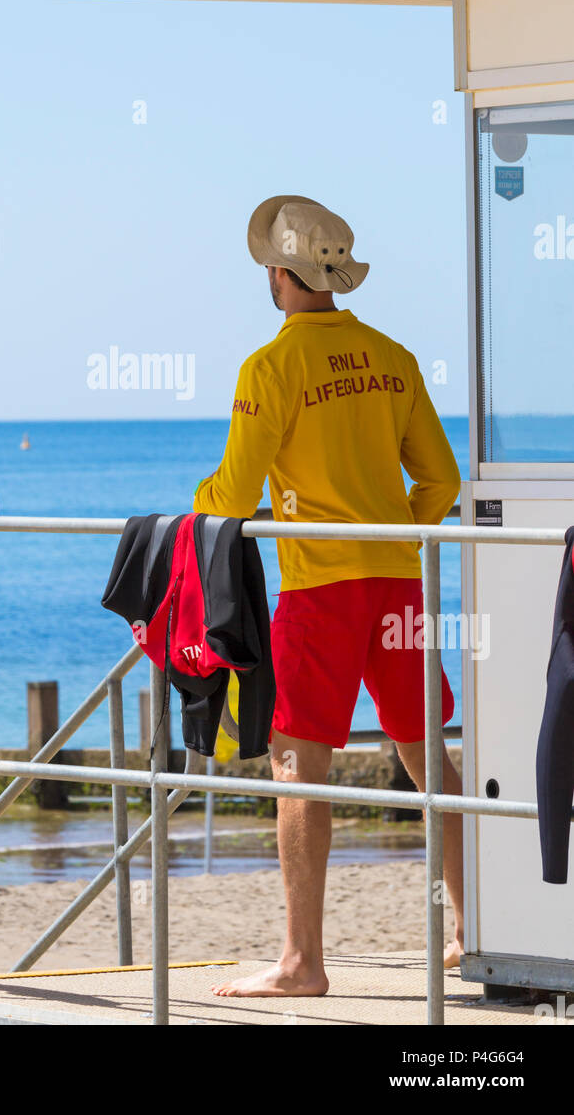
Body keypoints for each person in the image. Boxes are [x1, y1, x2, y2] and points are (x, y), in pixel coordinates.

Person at [194, 196, 463, 1000]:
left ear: (279, 276)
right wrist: (388, 530)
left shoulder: (270, 369)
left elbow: (233, 492)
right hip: (397, 582)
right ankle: (466, 927)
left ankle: (302, 962)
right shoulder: (393, 356)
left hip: (318, 592)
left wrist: (193, 511)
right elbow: (441, 481)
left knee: (298, 763)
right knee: (426, 753)